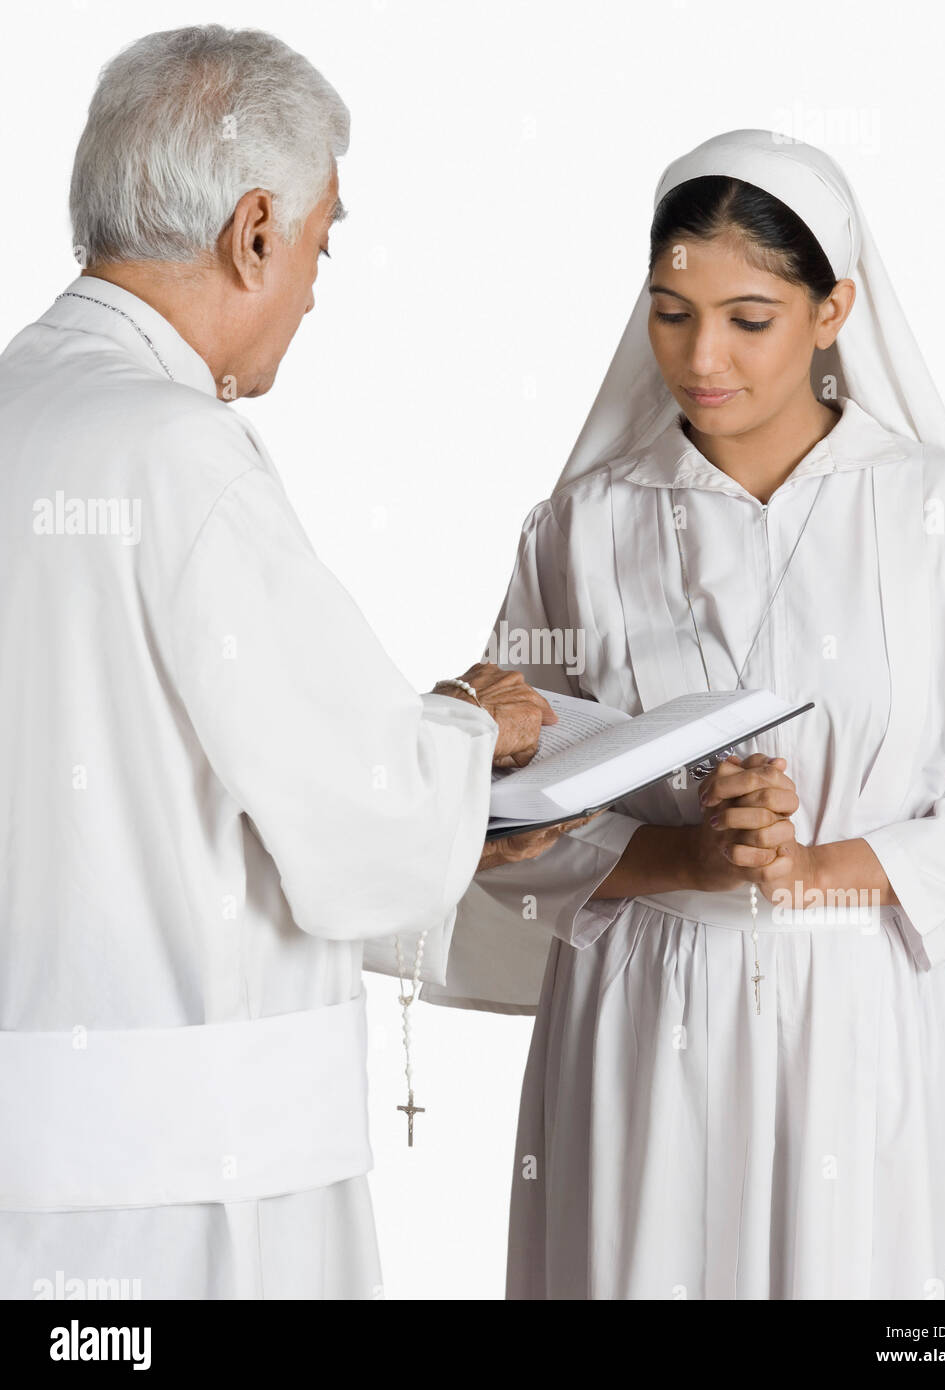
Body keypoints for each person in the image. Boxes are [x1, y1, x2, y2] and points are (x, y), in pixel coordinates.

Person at [423, 128, 945, 1300]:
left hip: (869, 1015)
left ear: (833, 311)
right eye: (670, 311)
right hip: (640, 1018)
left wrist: (815, 863)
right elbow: (493, 820)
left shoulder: (941, 519)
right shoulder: (577, 527)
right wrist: (677, 850)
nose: (699, 354)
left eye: (748, 317)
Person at [0, 24, 556, 1300]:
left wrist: (412, 748)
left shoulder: (22, 408)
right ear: (255, 229)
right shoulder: (173, 449)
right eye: (323, 239)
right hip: (189, 1171)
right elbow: (351, 813)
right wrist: (467, 740)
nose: (313, 282)